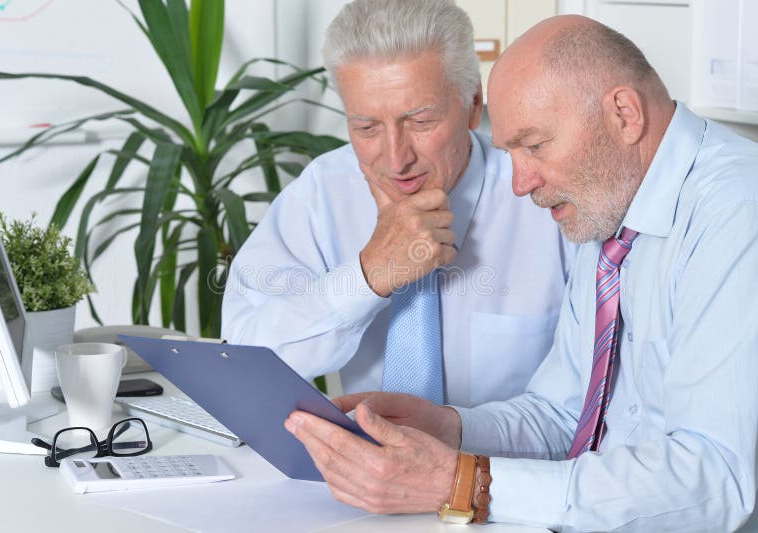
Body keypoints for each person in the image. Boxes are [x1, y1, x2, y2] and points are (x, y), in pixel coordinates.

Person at [284, 14, 758, 532]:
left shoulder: (737, 209)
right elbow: (562, 415)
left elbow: (717, 479)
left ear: (624, 113)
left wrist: (461, 483)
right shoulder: (608, 209)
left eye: (535, 146)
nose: (519, 183)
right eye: (512, 152)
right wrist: (448, 429)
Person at [221, 0, 573, 407]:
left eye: (421, 122)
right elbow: (242, 358)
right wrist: (368, 276)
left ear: (474, 104)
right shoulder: (324, 192)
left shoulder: (547, 199)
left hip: (501, 468)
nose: (395, 159)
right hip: (358, 466)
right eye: (366, 127)